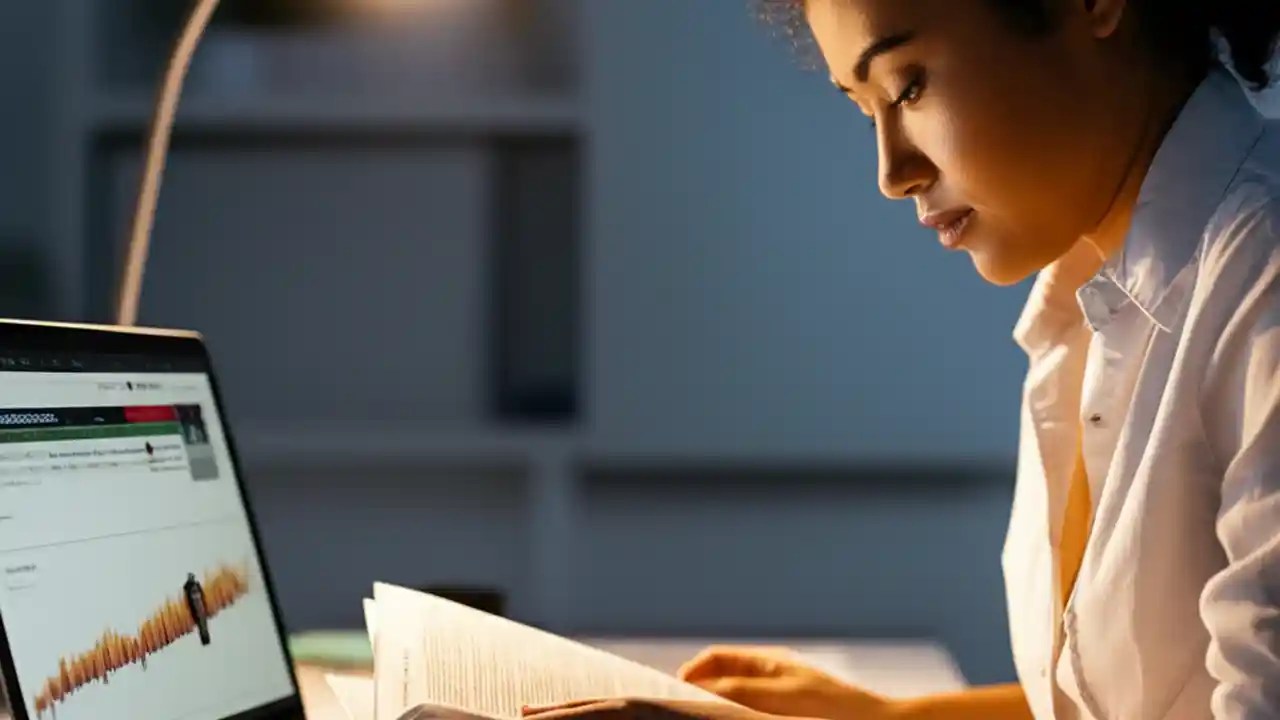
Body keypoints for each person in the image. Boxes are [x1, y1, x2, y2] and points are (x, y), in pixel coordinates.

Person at [522, 1, 1280, 719]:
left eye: (908, 86)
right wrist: (893, 716)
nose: (891, 172)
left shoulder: (1260, 279)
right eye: (864, 107)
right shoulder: (1092, 304)